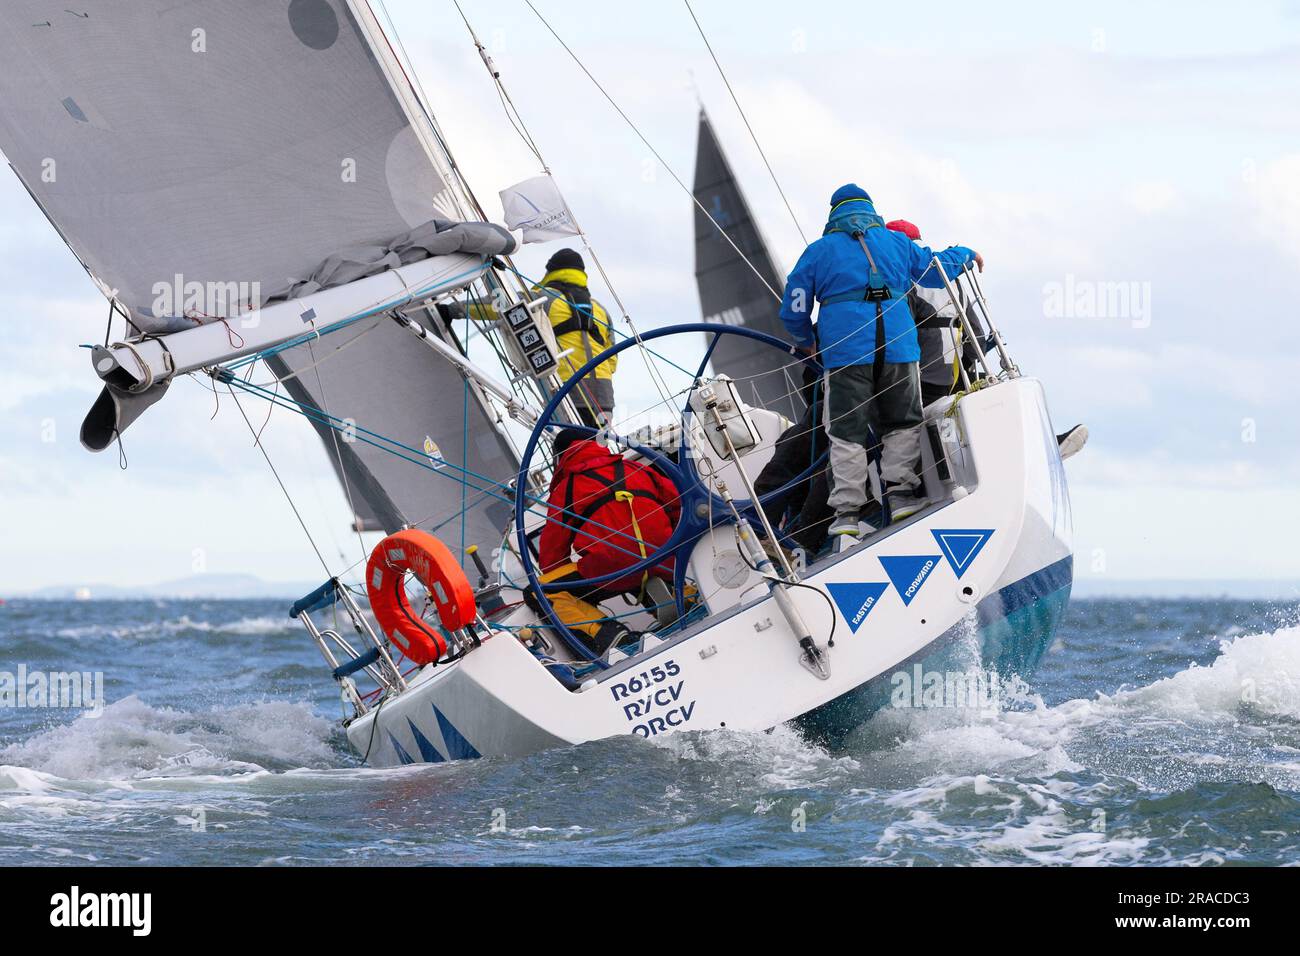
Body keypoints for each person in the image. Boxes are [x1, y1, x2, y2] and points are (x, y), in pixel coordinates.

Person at [780, 184, 982, 544]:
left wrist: (806, 341)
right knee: (902, 423)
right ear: (872, 211)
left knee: (846, 432)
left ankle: (846, 516)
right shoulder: (896, 243)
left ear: (834, 216)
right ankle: (902, 495)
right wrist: (967, 253)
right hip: (899, 349)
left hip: (846, 355)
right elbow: (935, 268)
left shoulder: (818, 252)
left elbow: (794, 305)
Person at [887, 219, 1089, 460]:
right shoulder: (949, 278)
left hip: (920, 383)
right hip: (955, 377)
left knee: (935, 432)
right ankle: (1043, 444)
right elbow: (977, 336)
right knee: (994, 397)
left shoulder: (899, 280)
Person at [533, 429, 682, 655]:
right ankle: (675, 593)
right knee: (635, 560)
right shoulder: (636, 468)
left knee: (540, 591)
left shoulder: (567, 489)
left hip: (614, 570)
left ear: (559, 458)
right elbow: (679, 505)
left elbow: (551, 556)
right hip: (663, 558)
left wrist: (579, 595)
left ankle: (606, 632)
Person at [538, 249, 617, 429]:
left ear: (551, 272)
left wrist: (459, 309)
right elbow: (612, 360)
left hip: (567, 388)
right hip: (603, 394)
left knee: (567, 450)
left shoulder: (543, 299)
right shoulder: (600, 309)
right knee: (599, 449)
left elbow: (498, 305)